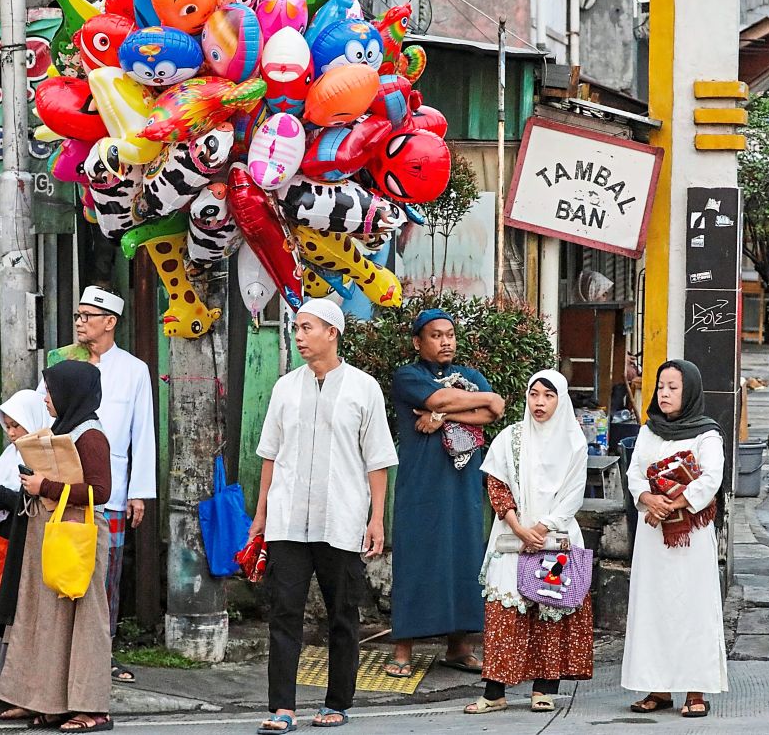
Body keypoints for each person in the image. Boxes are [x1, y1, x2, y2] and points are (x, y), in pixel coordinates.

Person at [248, 297, 398, 734]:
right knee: (284, 613)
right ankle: (282, 708)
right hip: (287, 521)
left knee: (342, 614)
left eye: (307, 328)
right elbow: (269, 457)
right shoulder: (284, 388)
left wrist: (376, 518)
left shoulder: (363, 387)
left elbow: (378, 460)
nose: (298, 336)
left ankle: (337, 702)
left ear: (332, 332)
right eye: (296, 328)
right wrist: (260, 516)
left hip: (342, 518)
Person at [44, 285, 156, 685]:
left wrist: (139, 492)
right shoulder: (60, 362)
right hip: (65, 490)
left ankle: (102, 653)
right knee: (63, 572)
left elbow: (142, 432)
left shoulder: (133, 370)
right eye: (77, 315)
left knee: (105, 579)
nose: (79, 322)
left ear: (110, 323)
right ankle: (62, 654)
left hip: (112, 490)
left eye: (88, 316)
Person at [466, 370, 593, 714]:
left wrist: (542, 528)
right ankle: (495, 692)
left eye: (548, 396)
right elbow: (496, 484)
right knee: (506, 611)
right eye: (534, 394)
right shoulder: (511, 438)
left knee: (549, 607)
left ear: (561, 400)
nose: (539, 402)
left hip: (556, 539)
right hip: (511, 537)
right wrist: (519, 527)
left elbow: (572, 495)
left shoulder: (574, 443)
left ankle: (544, 689)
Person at [387, 308, 504, 679]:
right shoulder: (407, 375)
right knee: (415, 558)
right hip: (421, 484)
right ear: (418, 342)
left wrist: (442, 416)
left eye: (450, 334)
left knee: (464, 559)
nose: (446, 341)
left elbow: (494, 410)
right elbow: (444, 400)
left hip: (464, 483)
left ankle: (459, 647)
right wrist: (458, 403)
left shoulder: (471, 376)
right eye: (436, 335)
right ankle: (402, 649)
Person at [0, 361, 114, 732]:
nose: (45, 398)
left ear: (70, 394)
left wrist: (44, 486)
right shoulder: (65, 429)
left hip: (80, 535)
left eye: (50, 391)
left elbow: (100, 491)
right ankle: (52, 702)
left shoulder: (90, 435)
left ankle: (93, 709)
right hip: (59, 531)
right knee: (52, 620)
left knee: (85, 621)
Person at [621, 360, 727, 718]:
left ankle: (695, 691)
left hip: (691, 540)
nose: (664, 394)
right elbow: (635, 473)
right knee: (654, 608)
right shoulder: (650, 431)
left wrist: (673, 503)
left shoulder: (706, 434)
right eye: (661, 386)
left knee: (692, 608)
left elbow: (711, 479)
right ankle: (658, 689)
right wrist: (648, 499)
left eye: (672, 388)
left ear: (690, 392)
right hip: (653, 538)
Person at [0, 389, 51, 708]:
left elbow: (37, 500)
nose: (10, 433)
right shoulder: (8, 456)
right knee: (0, 606)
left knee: (17, 607)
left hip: (28, 540)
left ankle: (17, 683)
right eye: (7, 426)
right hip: (8, 536)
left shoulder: (41, 454)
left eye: (16, 426)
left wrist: (1, 496)